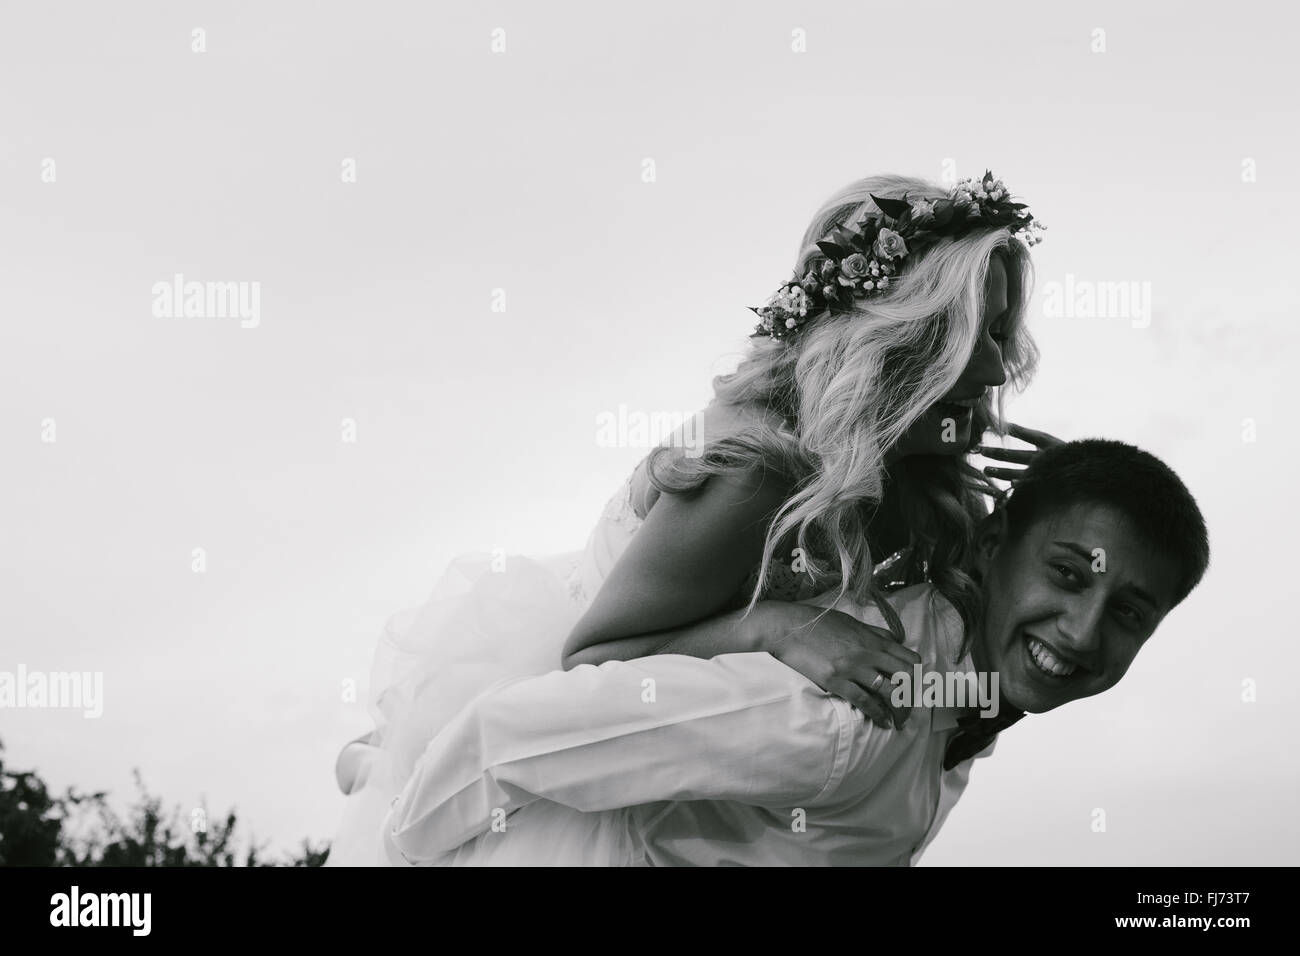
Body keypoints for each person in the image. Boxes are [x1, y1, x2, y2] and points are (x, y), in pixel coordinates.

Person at [327, 170, 1050, 865]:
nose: (994, 370)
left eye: (997, 332)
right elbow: (589, 662)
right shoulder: (755, 471)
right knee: (424, 801)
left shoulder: (914, 470)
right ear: (890, 341)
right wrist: (777, 627)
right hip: (580, 771)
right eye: (968, 334)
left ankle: (373, 762)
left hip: (697, 782)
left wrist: (1055, 513)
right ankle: (382, 774)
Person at [381, 439, 1210, 866]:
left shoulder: (971, 686)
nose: (1081, 630)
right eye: (1066, 574)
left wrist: (1083, 494)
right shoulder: (837, 718)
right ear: (992, 547)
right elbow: (503, 740)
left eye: (1129, 613)